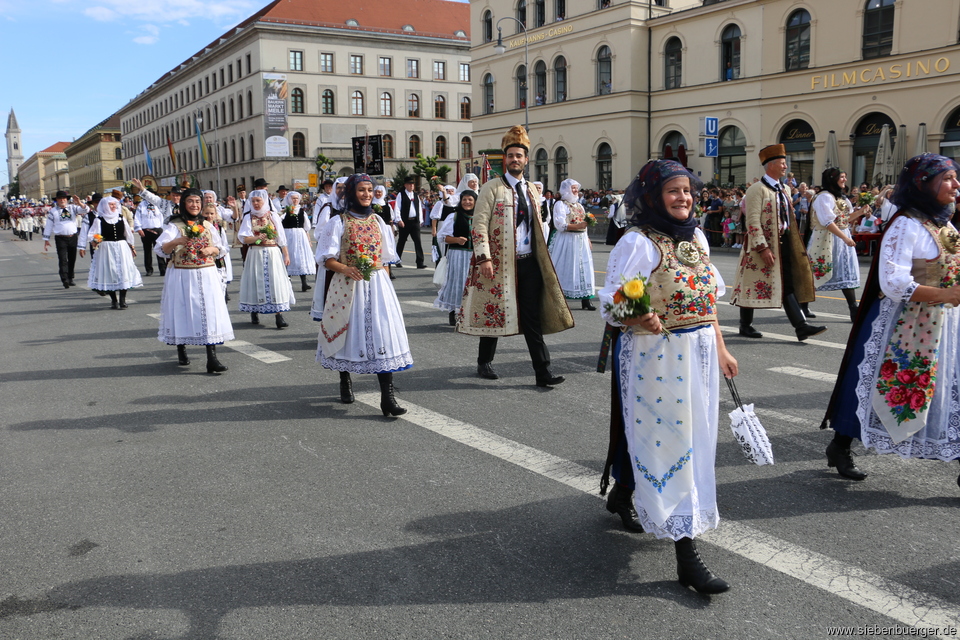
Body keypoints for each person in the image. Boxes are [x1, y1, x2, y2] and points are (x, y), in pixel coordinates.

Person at [599, 159, 737, 594]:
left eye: (688, 191)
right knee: (672, 442)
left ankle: (624, 491)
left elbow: (708, 300)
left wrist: (721, 348)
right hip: (656, 355)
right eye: (674, 191)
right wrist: (641, 317)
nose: (684, 198)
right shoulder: (638, 242)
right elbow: (611, 302)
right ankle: (686, 554)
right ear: (654, 196)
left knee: (693, 438)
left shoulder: (696, 236)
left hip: (697, 352)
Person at [820, 153, 960, 485]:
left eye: (955, 177)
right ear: (924, 185)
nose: (956, 184)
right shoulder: (906, 224)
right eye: (948, 179)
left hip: (945, 322)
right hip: (905, 323)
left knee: (951, 388)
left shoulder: (945, 223)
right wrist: (945, 295)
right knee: (870, 387)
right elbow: (893, 282)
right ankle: (840, 445)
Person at [458, 125, 574, 386]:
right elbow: (479, 224)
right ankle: (484, 361)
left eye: (519, 156)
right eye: (510, 155)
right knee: (495, 310)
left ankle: (542, 372)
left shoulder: (533, 189)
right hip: (497, 264)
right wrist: (484, 258)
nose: (514, 160)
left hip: (529, 261)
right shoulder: (491, 188)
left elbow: (539, 225)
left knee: (531, 316)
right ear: (505, 159)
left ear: (525, 159)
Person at [316, 174, 413, 416]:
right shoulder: (338, 222)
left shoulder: (379, 220)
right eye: (361, 190)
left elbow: (387, 258)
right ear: (350, 193)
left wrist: (387, 285)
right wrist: (346, 268)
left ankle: (387, 397)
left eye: (369, 189)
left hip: (377, 283)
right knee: (347, 331)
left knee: (382, 335)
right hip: (348, 283)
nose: (367, 194)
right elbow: (326, 259)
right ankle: (345, 379)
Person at [730, 144, 826, 341]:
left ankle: (801, 327)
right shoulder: (757, 189)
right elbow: (753, 221)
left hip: (783, 243)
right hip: (762, 246)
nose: (785, 167)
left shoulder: (785, 189)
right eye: (782, 163)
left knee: (787, 285)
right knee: (751, 284)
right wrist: (762, 247)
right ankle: (745, 325)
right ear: (771, 165)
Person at [154, 188, 234, 373]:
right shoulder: (174, 225)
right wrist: (177, 241)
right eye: (190, 201)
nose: (195, 205)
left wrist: (210, 251)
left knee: (208, 312)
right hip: (182, 273)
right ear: (183, 203)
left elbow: (221, 248)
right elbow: (161, 249)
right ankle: (181, 347)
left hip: (206, 273)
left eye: (198, 202)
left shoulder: (207, 224)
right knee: (182, 309)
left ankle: (212, 358)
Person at [806, 168, 870, 321]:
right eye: (842, 177)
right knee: (816, 271)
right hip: (825, 239)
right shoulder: (823, 197)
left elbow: (844, 219)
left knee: (846, 270)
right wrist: (845, 238)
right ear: (832, 179)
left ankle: (853, 308)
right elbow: (828, 222)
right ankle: (802, 305)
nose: (845, 180)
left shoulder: (840, 198)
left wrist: (861, 212)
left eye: (845, 177)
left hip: (841, 237)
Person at [238, 189, 294, 328]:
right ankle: (254, 309)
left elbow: (281, 237)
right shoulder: (248, 217)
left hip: (272, 251)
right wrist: (257, 238)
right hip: (255, 251)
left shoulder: (273, 216)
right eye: (253, 201)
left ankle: (278, 315)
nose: (256, 204)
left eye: (258, 201)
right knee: (255, 280)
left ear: (264, 201)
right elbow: (244, 239)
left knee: (276, 280)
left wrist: (286, 254)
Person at [84, 196, 143, 309]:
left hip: (121, 247)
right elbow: (93, 234)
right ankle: (114, 300)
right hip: (107, 248)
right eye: (110, 204)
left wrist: (132, 246)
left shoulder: (121, 218)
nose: (113, 206)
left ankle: (122, 300)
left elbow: (128, 234)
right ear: (105, 206)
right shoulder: (99, 219)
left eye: (114, 204)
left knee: (123, 272)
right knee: (110, 273)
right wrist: (97, 240)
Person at [549, 178, 597, 311]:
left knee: (584, 268)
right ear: (566, 190)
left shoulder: (579, 205)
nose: (575, 190)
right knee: (566, 267)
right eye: (573, 188)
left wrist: (587, 238)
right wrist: (577, 226)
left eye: (576, 188)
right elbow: (559, 225)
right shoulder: (560, 205)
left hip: (580, 240)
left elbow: (584, 223)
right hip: (567, 240)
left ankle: (586, 299)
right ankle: (559, 299)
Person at [434, 190, 477, 325]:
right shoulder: (454, 216)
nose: (467, 202)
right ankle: (453, 312)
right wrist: (457, 240)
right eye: (464, 199)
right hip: (458, 254)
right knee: (457, 282)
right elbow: (442, 237)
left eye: (470, 199)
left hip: (475, 255)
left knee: (473, 284)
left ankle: (470, 313)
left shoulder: (480, 216)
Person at [42, 190, 89, 288]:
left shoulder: (73, 208)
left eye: (64, 198)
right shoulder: (53, 211)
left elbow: (86, 210)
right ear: (57, 200)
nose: (62, 200)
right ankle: (64, 279)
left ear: (67, 200)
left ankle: (70, 277)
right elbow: (49, 225)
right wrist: (46, 239)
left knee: (72, 258)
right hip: (60, 238)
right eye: (60, 199)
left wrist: (79, 203)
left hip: (72, 237)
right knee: (63, 259)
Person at [280, 191, 315, 292]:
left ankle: (304, 283)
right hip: (289, 236)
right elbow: (279, 224)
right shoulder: (285, 211)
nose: (295, 200)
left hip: (300, 236)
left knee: (301, 257)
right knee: (289, 256)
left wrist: (309, 240)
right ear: (289, 199)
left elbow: (306, 227)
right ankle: (287, 282)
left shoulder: (302, 211)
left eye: (296, 198)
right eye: (293, 198)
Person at [393, 175, 427, 269]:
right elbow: (397, 208)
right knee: (402, 241)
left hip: (414, 221)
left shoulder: (416, 195)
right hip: (405, 221)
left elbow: (419, 208)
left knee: (418, 241)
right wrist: (399, 219)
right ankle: (397, 260)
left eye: (412, 184)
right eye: (409, 184)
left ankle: (420, 262)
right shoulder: (401, 195)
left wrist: (420, 220)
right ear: (405, 185)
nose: (411, 186)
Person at [201, 203, 232, 300]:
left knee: (219, 286)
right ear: (202, 213)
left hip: (218, 260)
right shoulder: (199, 227)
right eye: (206, 213)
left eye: (211, 213)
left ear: (215, 214)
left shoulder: (219, 228)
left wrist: (219, 250)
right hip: (204, 260)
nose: (209, 216)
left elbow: (226, 247)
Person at [133, 189, 167, 276]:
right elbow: (137, 217)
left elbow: (163, 217)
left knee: (160, 250)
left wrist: (163, 229)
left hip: (158, 229)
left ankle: (162, 268)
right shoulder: (141, 205)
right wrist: (139, 229)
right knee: (147, 251)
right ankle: (149, 269)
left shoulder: (158, 205)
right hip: (146, 230)